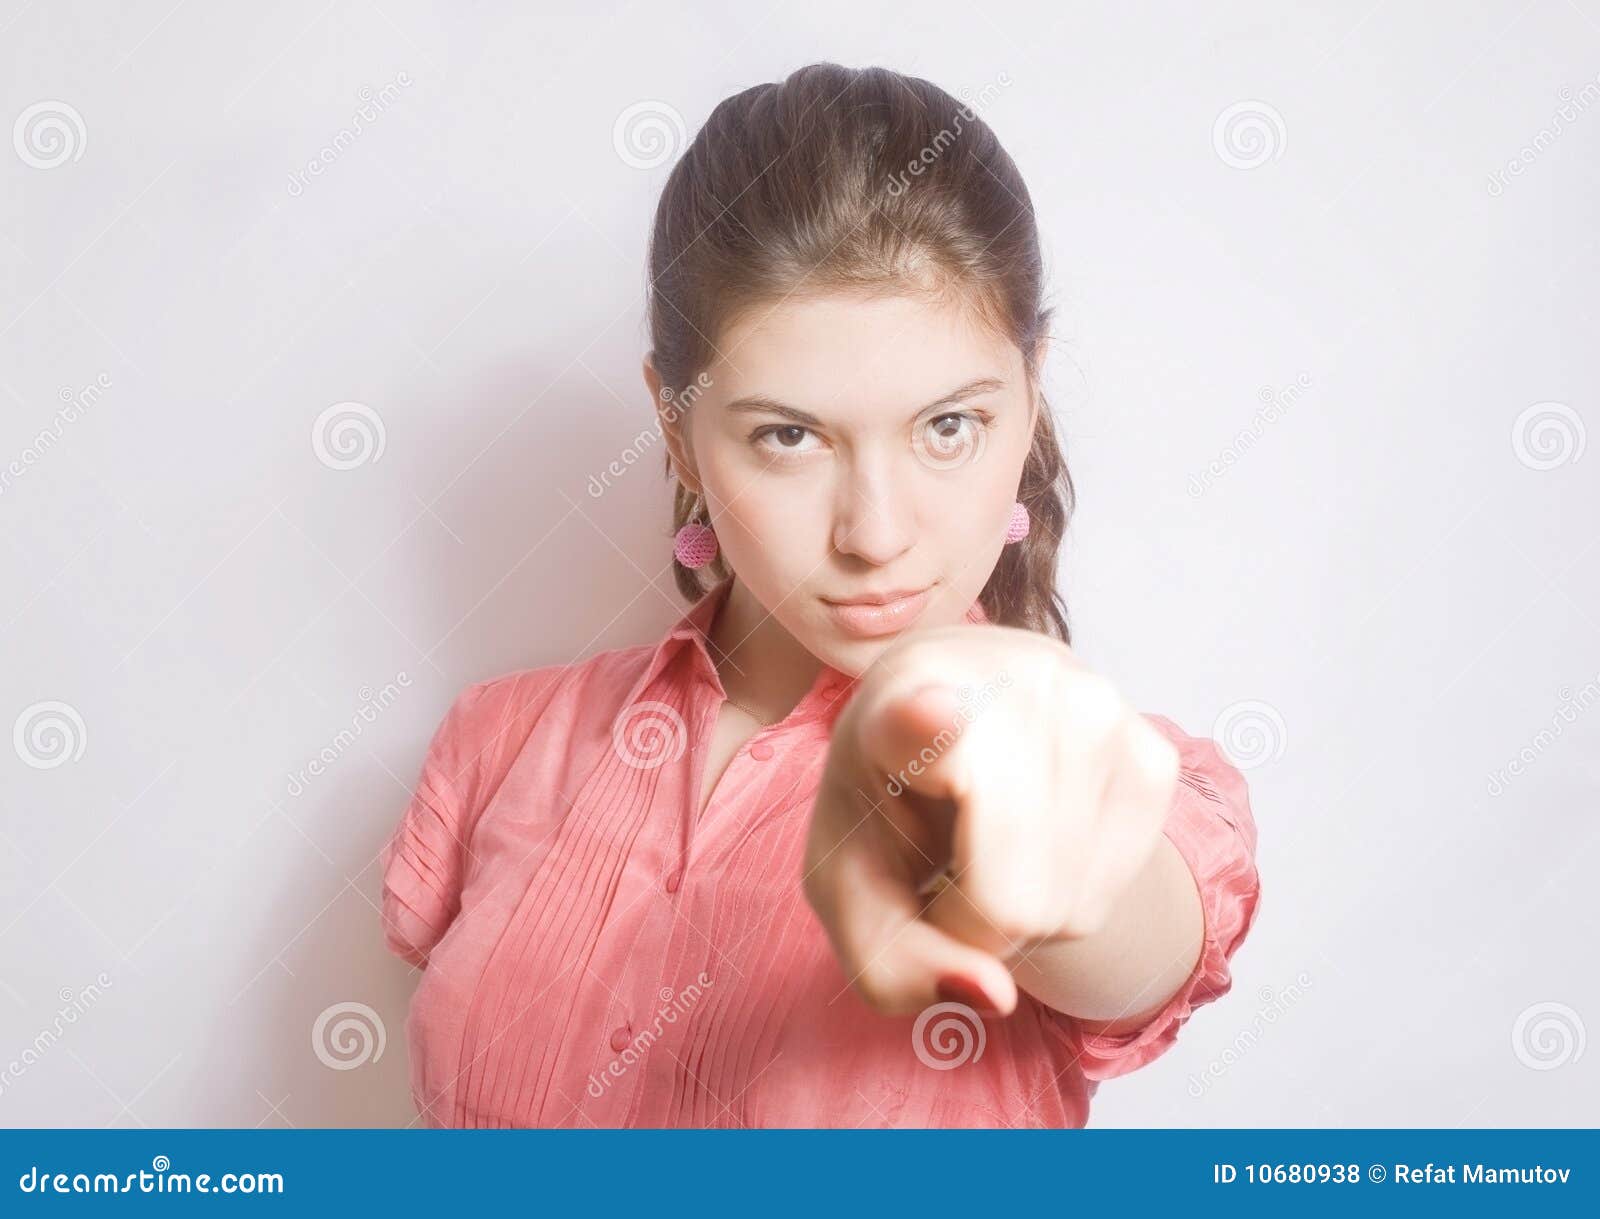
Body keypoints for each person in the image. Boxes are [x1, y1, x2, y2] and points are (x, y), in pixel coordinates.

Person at [379, 62, 1261, 1128]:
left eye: (949, 426)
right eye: (788, 436)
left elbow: (1131, 947)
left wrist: (997, 834)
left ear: (1029, 398)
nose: (876, 533)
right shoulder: (499, 747)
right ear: (677, 428)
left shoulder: (1111, 779)